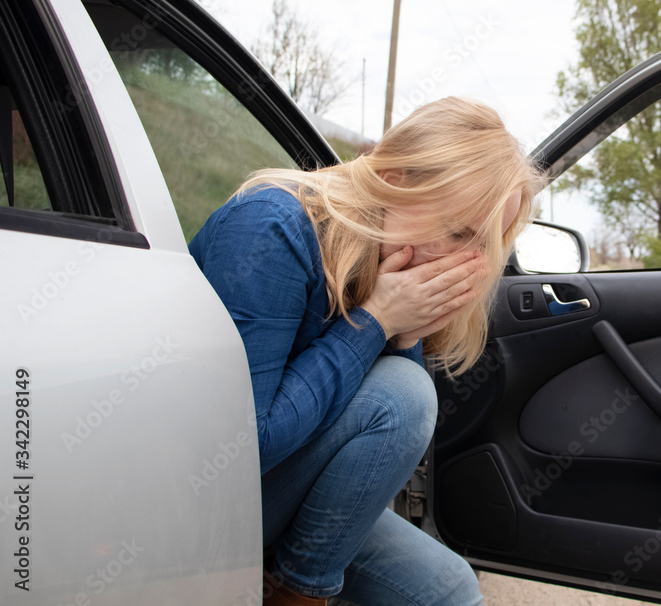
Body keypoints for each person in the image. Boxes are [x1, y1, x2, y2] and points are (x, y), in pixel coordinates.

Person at [189, 96, 544, 605]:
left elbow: (377, 447)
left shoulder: (384, 259)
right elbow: (244, 449)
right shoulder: (273, 227)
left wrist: (399, 334)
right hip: (202, 500)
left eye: (483, 245)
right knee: (404, 395)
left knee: (451, 590)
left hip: (278, 492)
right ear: (396, 180)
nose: (469, 262)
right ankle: (297, 596)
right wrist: (375, 323)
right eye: (460, 232)